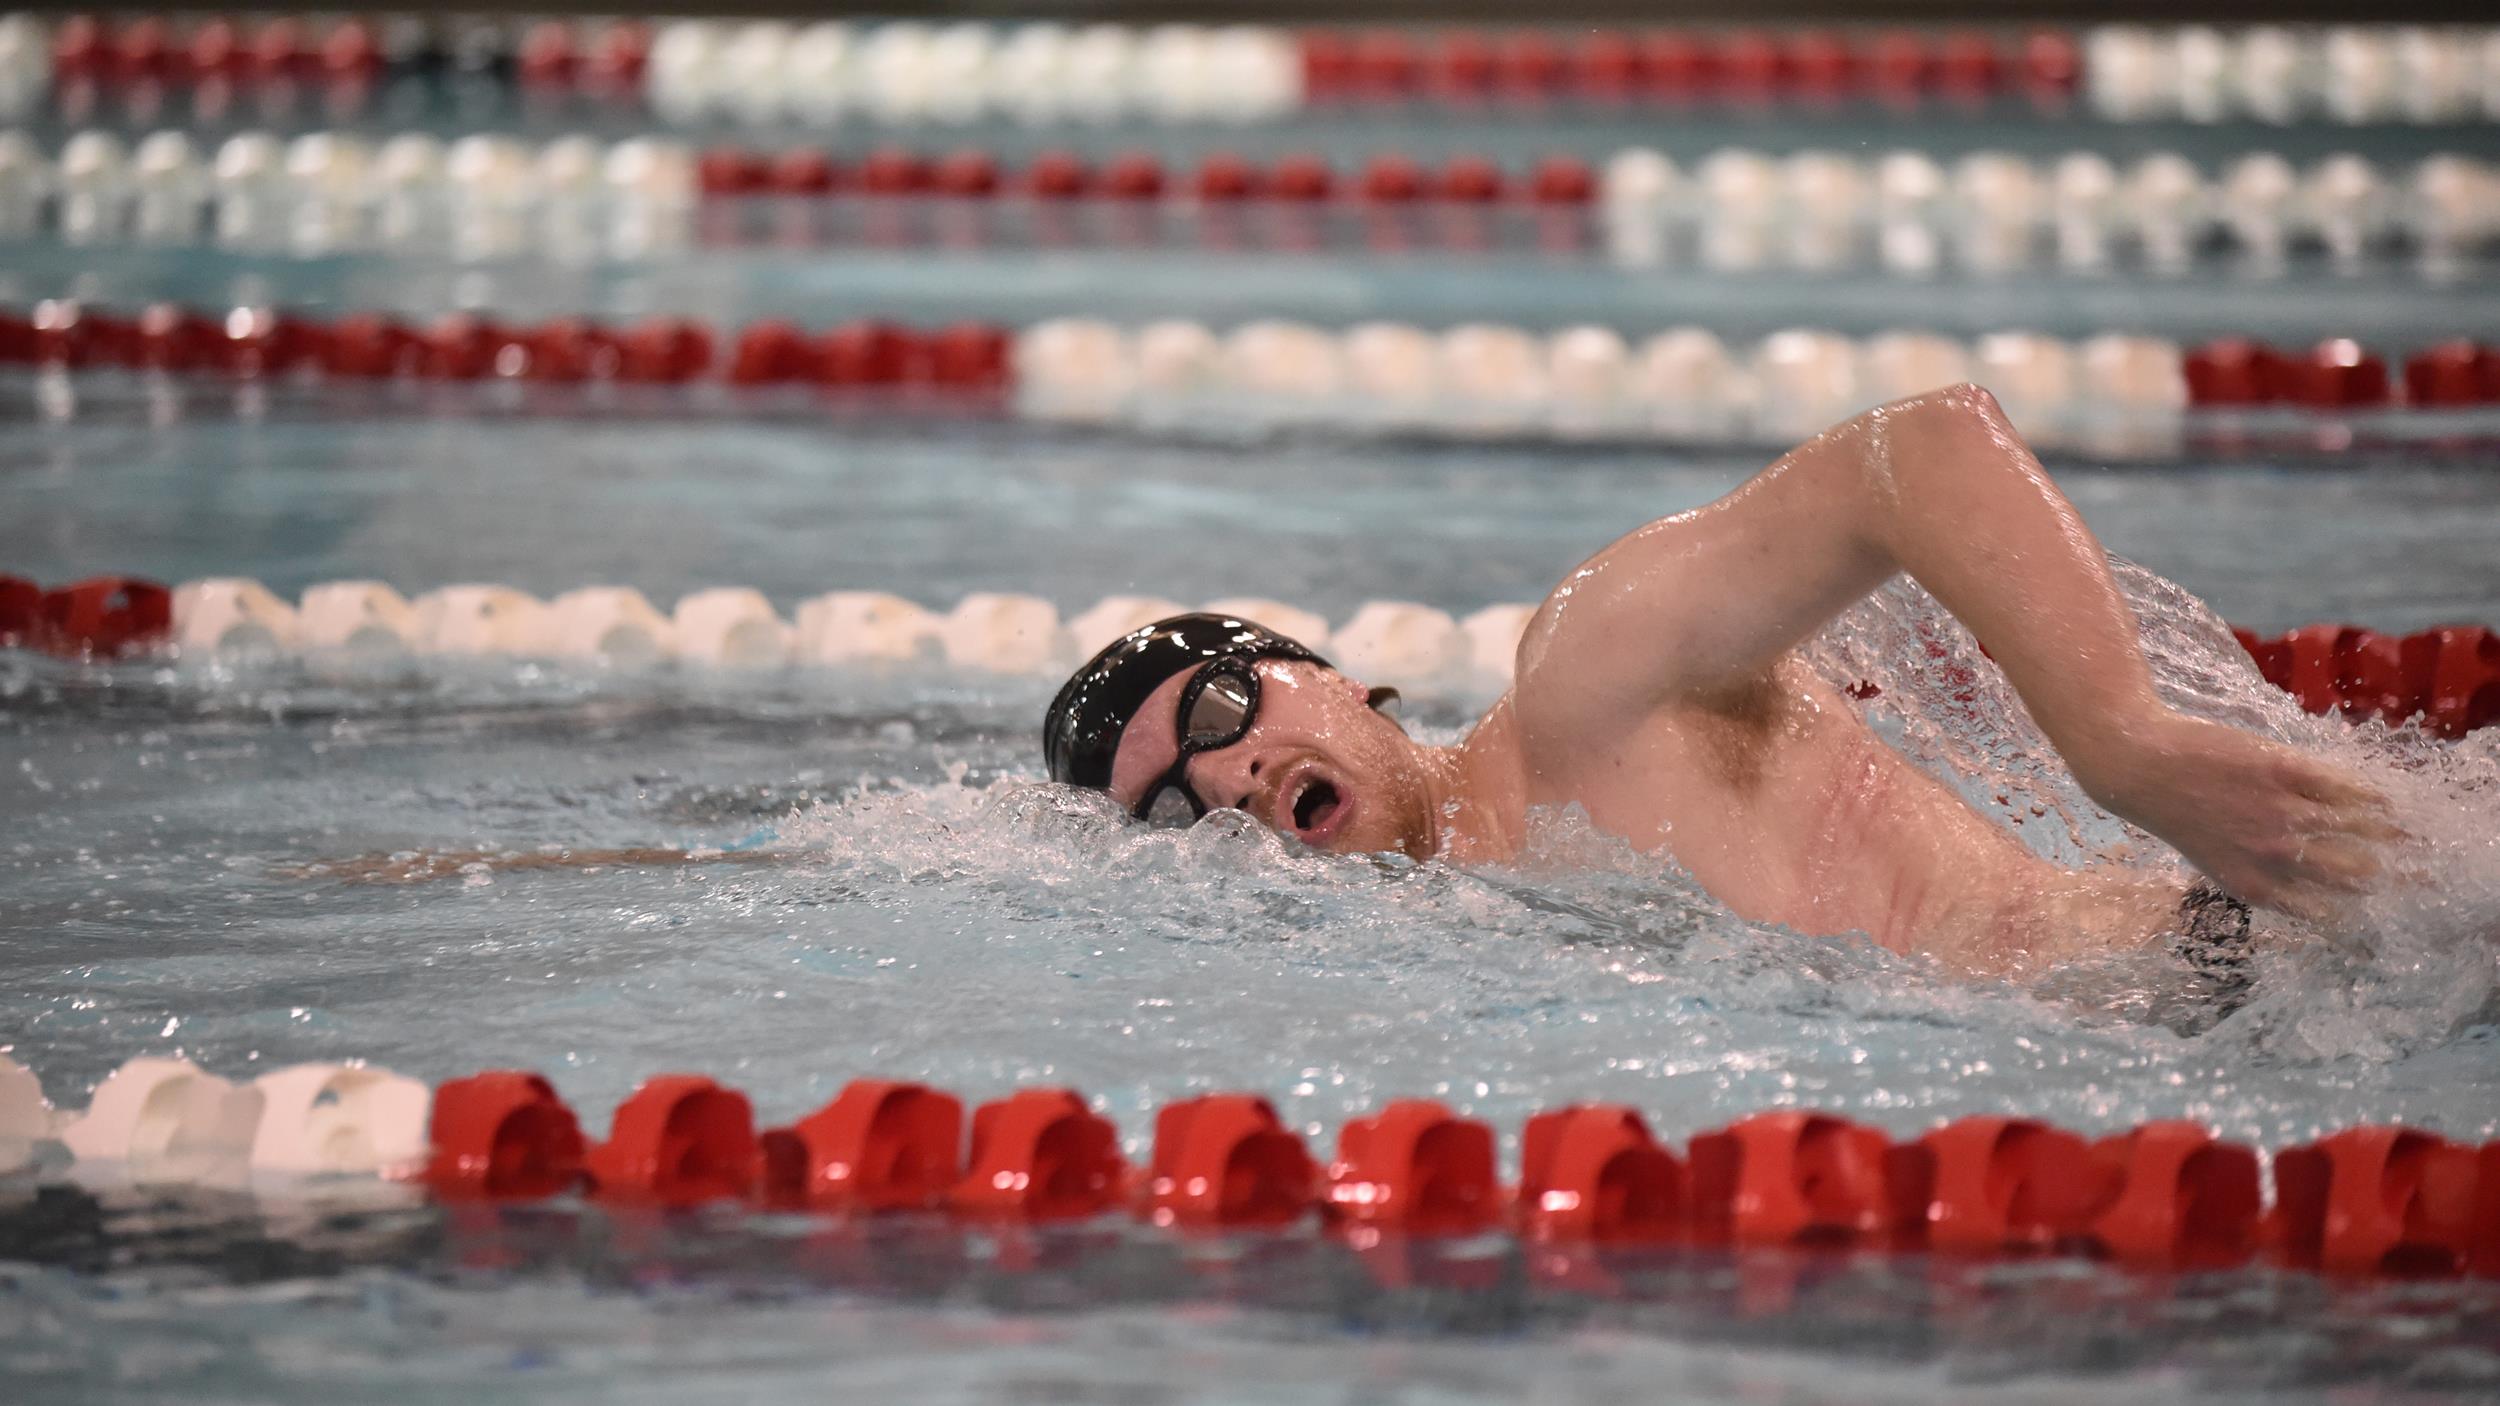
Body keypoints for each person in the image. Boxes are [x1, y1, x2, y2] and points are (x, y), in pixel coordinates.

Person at [1044, 384, 2398, 980]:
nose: (1225, 777)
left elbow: (1917, 452)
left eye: (1220, 710)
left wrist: (2125, 747)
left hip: (2266, 962)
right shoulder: (1469, 925)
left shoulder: (1582, 685)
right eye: (1177, 804)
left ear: (1327, 679)